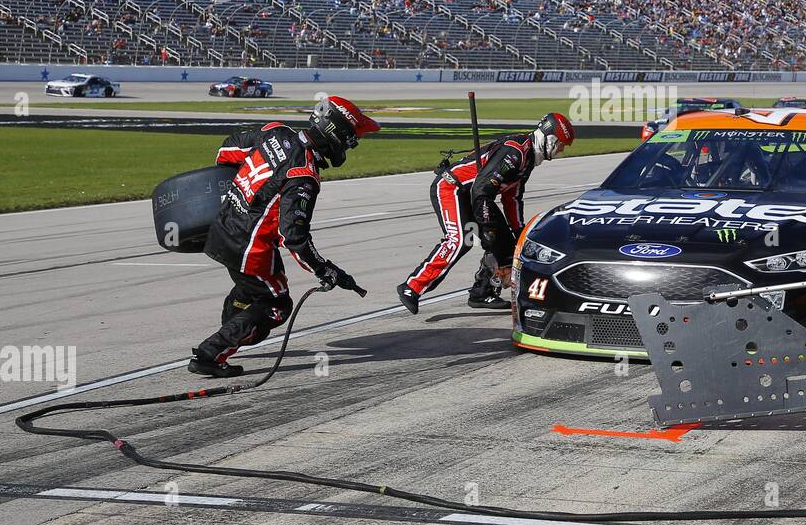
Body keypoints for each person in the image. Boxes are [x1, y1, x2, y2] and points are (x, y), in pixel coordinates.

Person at [190, 96, 379, 378]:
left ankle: (233, 331)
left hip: (222, 227)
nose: (352, 144)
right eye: (351, 138)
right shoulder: (303, 176)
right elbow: (294, 237)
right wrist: (325, 269)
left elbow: (227, 149)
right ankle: (211, 353)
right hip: (249, 249)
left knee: (250, 290)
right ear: (335, 132)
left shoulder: (275, 131)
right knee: (277, 305)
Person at [397, 113, 575, 315]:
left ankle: (482, 292)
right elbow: (481, 190)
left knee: (504, 242)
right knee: (460, 241)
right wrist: (488, 227)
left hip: (476, 196)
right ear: (550, 138)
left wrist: (518, 230)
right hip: (453, 189)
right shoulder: (515, 153)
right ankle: (412, 286)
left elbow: (512, 198)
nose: (561, 149)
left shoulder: (527, 158)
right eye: (561, 144)